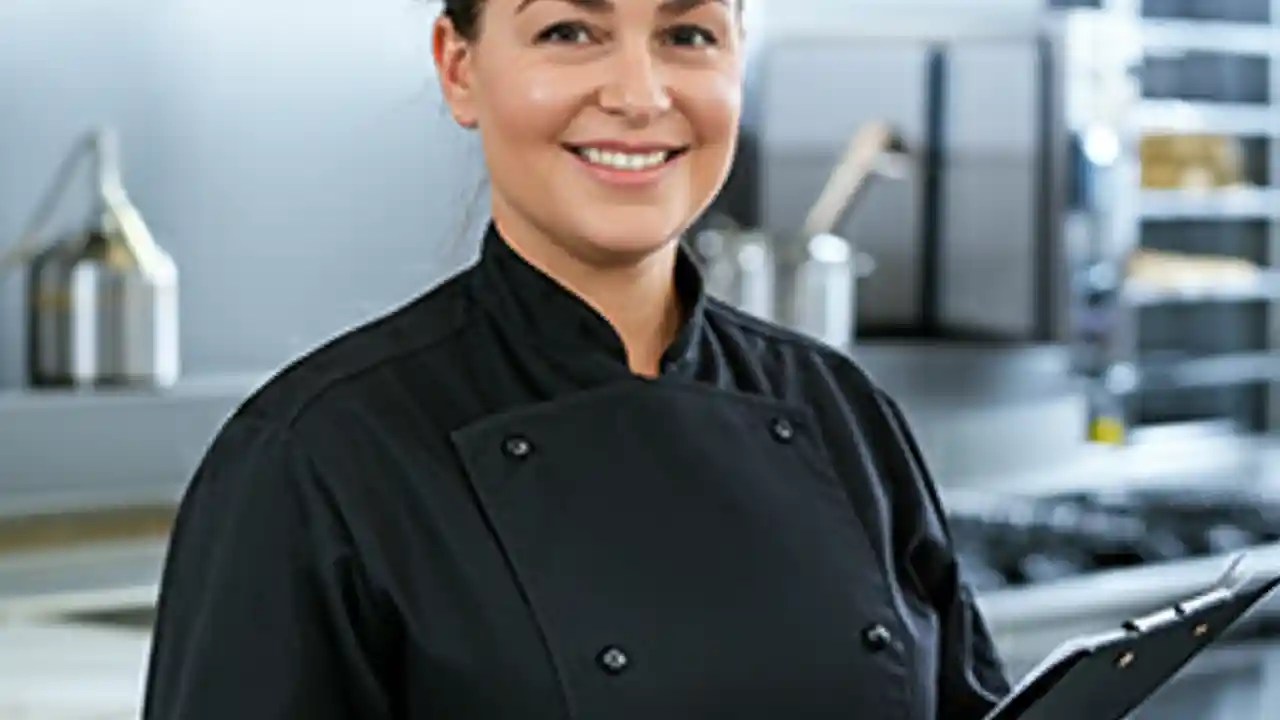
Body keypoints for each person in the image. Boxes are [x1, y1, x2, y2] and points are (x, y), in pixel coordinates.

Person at [142, 0, 1011, 717]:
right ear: (459, 68)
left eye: (687, 35)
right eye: (569, 32)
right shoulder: (314, 457)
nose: (639, 95)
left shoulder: (838, 411)